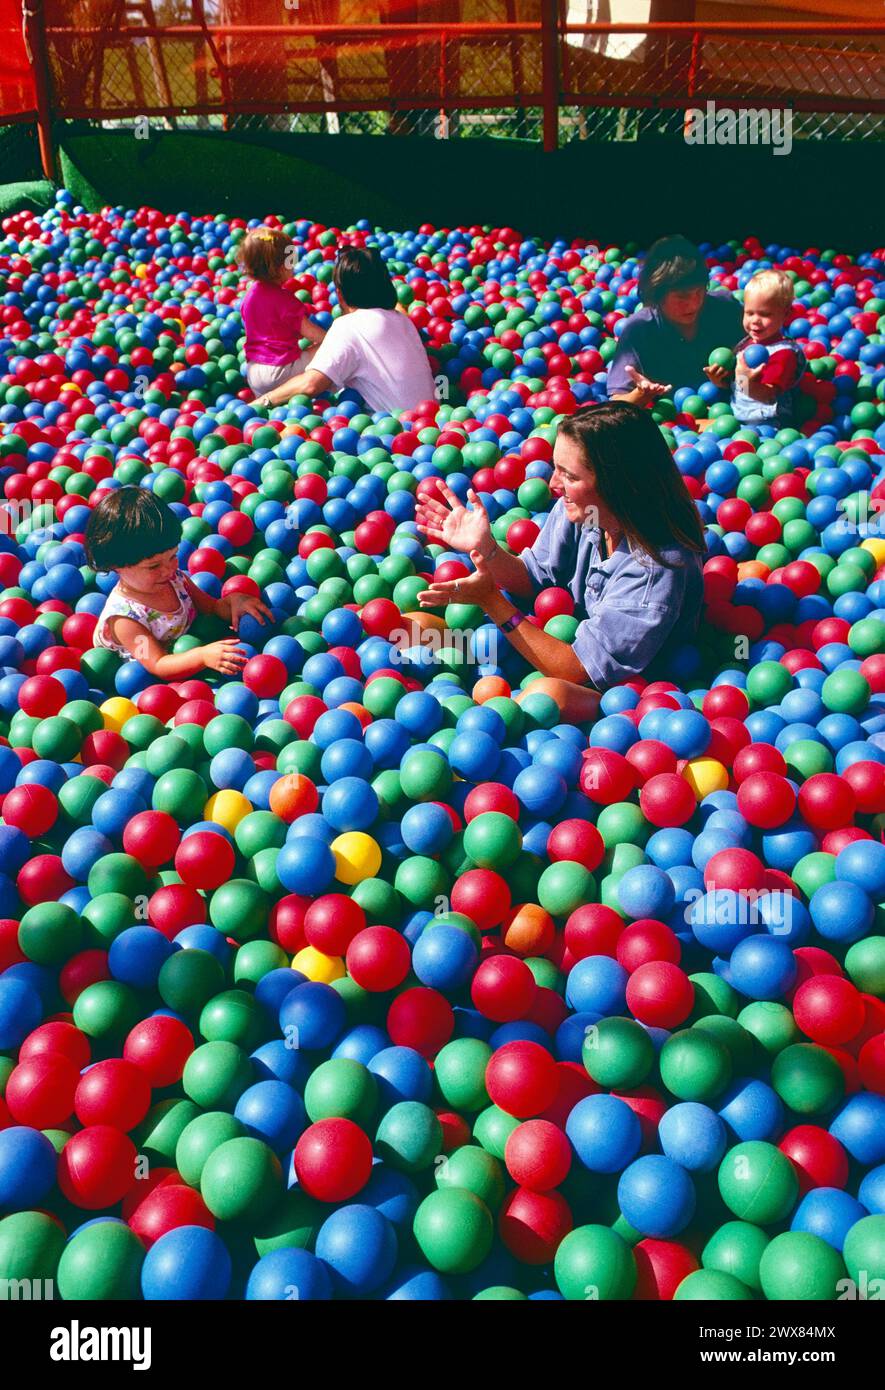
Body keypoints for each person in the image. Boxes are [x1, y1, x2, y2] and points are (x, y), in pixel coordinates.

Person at [415, 401, 706, 722]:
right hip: (560, 637)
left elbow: (577, 672)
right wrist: (486, 548)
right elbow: (534, 578)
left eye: (569, 475)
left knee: (546, 697)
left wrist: (491, 600)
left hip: (625, 691)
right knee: (417, 624)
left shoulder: (656, 566)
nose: (553, 485)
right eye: (556, 468)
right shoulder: (584, 510)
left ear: (616, 484)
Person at [86, 488, 272, 679]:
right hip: (147, 672)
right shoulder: (125, 620)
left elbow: (211, 607)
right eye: (153, 566)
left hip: (188, 645)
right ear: (117, 566)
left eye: (173, 556)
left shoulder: (175, 579)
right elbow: (158, 664)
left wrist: (234, 603)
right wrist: (202, 656)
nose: (168, 569)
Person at [251, 246, 436, 414]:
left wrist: (264, 401)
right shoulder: (403, 321)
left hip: (396, 435)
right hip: (431, 423)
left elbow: (311, 384)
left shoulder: (348, 326)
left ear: (340, 294)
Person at [607, 234, 744, 407]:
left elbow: (761, 374)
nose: (694, 303)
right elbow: (616, 404)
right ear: (657, 294)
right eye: (682, 296)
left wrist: (733, 381)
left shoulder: (726, 308)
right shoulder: (639, 330)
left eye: (699, 292)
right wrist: (641, 394)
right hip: (670, 425)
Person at [706, 269, 807, 427]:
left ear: (785, 314)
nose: (755, 321)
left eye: (765, 314)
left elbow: (767, 396)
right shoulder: (746, 343)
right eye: (749, 313)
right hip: (736, 418)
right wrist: (720, 381)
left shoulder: (784, 354)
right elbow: (736, 386)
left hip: (769, 424)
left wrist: (744, 380)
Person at [239, 227, 327, 400]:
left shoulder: (249, 297)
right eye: (291, 260)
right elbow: (312, 334)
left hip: (254, 373)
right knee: (328, 347)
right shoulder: (286, 301)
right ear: (280, 268)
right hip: (280, 372)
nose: (294, 265)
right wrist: (336, 338)